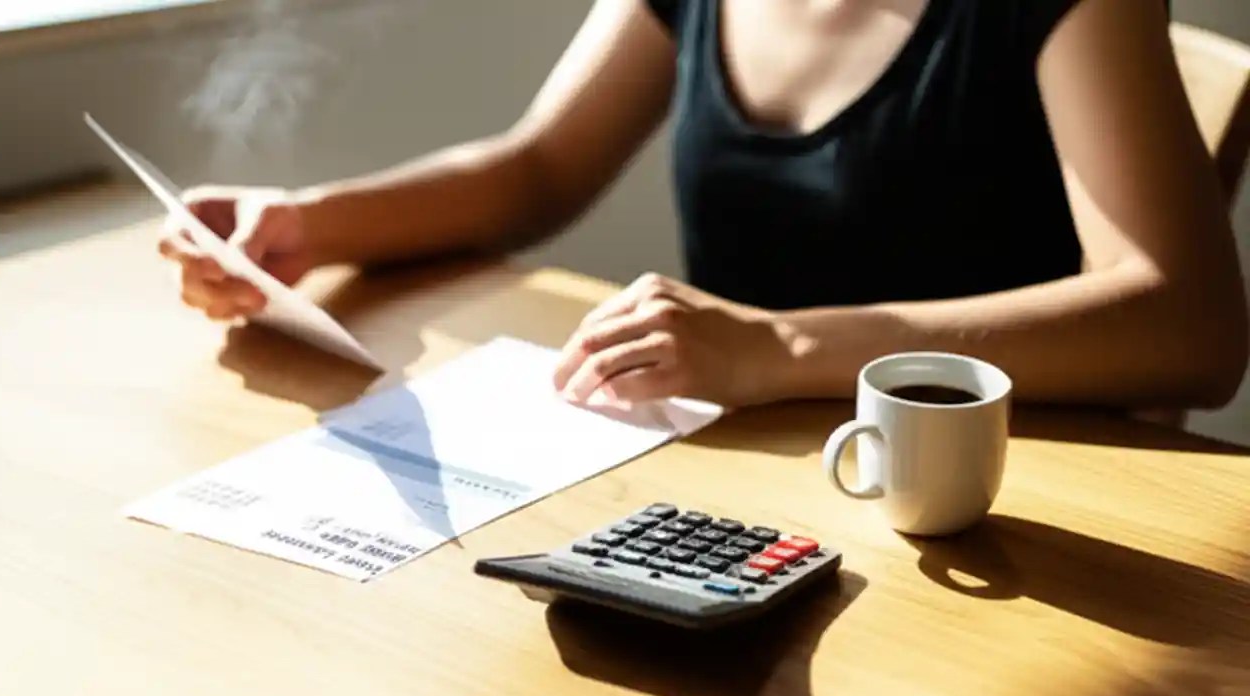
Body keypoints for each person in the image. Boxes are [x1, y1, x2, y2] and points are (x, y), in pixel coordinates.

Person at [160, 0, 1248, 412]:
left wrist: (770, 347)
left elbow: (1187, 330)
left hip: (991, 511)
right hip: (738, 471)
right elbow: (538, 169)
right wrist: (308, 224)